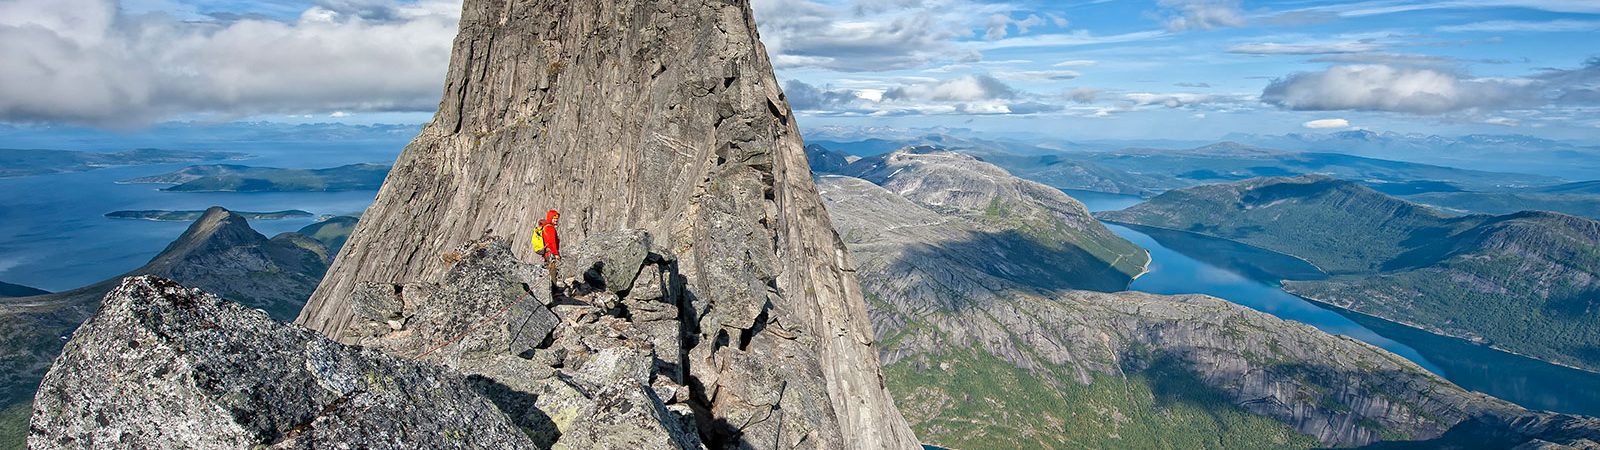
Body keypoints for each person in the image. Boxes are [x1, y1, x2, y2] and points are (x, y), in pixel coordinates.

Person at [533, 209, 561, 282]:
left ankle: (553, 287)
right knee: (553, 273)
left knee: (550, 271)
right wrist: (556, 254)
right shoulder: (550, 228)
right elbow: (551, 243)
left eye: (557, 218)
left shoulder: (545, 227)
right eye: (554, 218)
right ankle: (554, 288)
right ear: (550, 218)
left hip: (547, 254)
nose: (556, 220)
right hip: (550, 253)